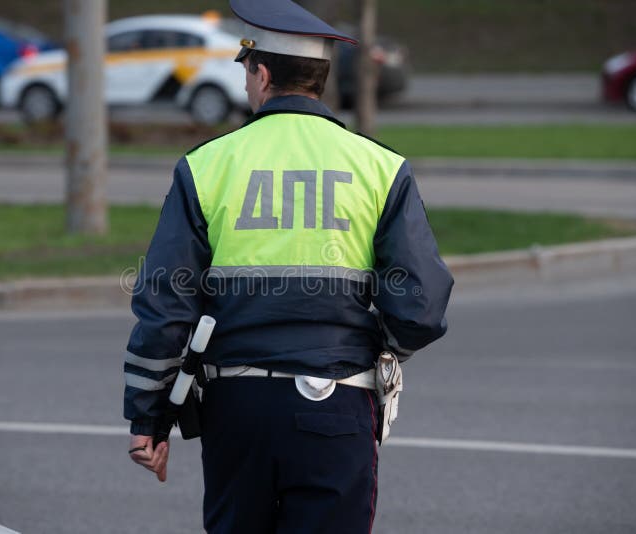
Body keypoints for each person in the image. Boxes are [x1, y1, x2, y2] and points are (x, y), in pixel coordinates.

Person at [123, 0, 453, 531]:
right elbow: (422, 305)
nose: (247, 82)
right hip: (338, 405)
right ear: (320, 78)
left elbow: (166, 301)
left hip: (237, 409)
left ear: (264, 73)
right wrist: (374, 349)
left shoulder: (206, 165)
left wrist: (148, 415)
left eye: (247, 69)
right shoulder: (381, 167)